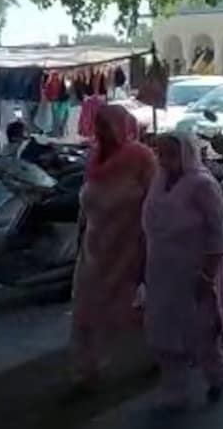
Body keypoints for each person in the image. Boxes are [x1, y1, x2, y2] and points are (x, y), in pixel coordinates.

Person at [140, 131, 223, 411]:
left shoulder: (203, 185)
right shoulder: (159, 181)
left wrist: (208, 273)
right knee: (163, 328)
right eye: (161, 153)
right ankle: (174, 389)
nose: (165, 160)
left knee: (201, 332)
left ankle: (215, 376)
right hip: (161, 269)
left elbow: (219, 233)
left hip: (195, 270)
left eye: (171, 154)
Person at [71, 104, 157, 391]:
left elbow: (155, 199)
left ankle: (157, 352)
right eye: (99, 125)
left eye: (106, 125)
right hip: (95, 246)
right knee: (86, 305)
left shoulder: (141, 157)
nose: (101, 131)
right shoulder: (94, 157)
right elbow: (86, 199)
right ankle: (88, 366)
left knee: (132, 307)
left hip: (130, 245)